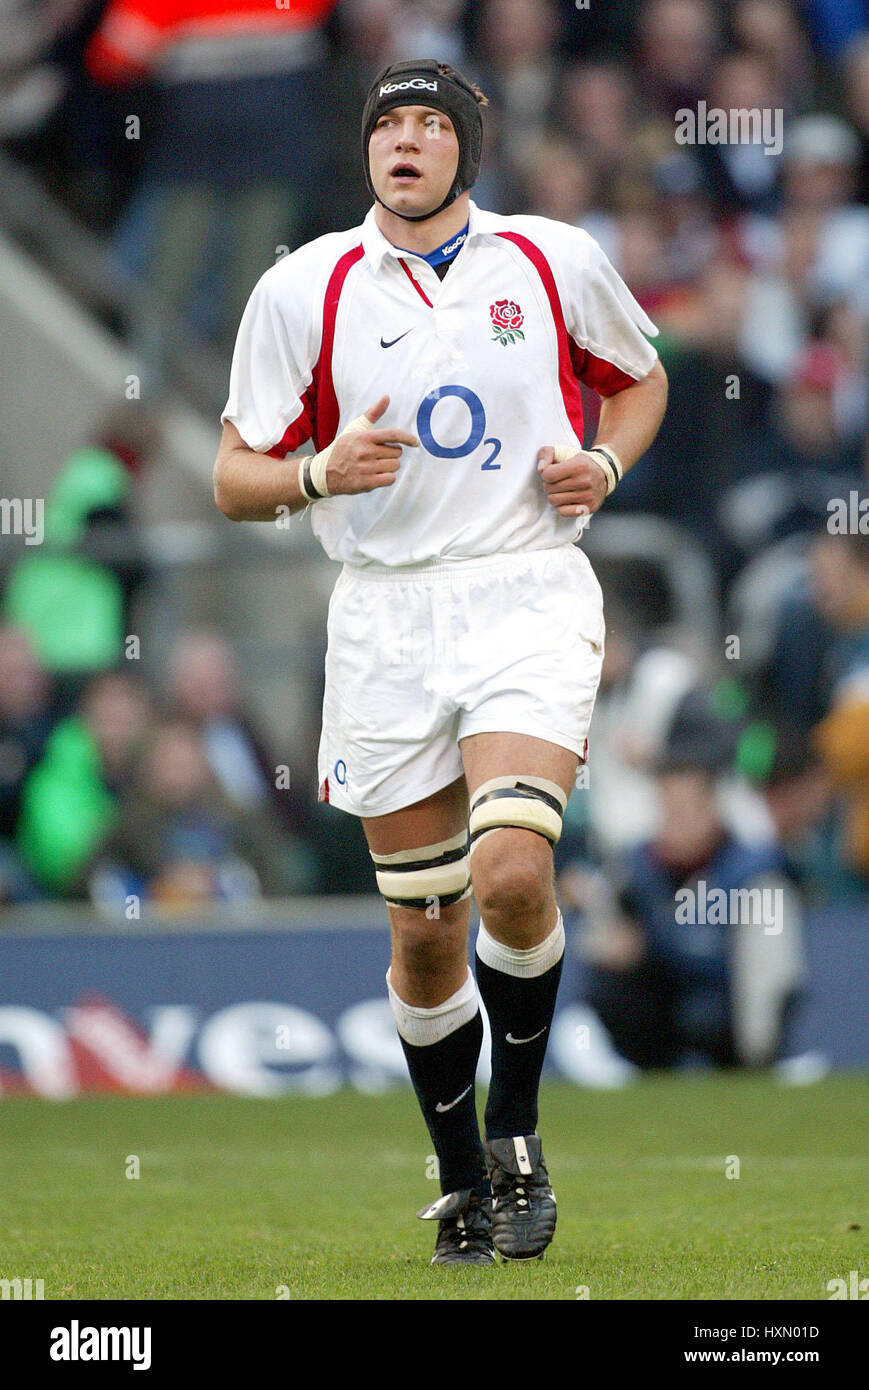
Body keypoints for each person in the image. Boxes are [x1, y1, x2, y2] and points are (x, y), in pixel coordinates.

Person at [214, 59, 667, 1266]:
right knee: (425, 931)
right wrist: (317, 473)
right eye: (387, 125)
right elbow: (229, 475)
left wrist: (605, 468)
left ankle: (513, 1135)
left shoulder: (552, 259)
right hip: (383, 617)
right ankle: (460, 1174)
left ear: (468, 148)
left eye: (428, 125)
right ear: (365, 149)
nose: (404, 143)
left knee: (512, 866)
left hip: (522, 587)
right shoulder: (300, 288)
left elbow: (641, 382)